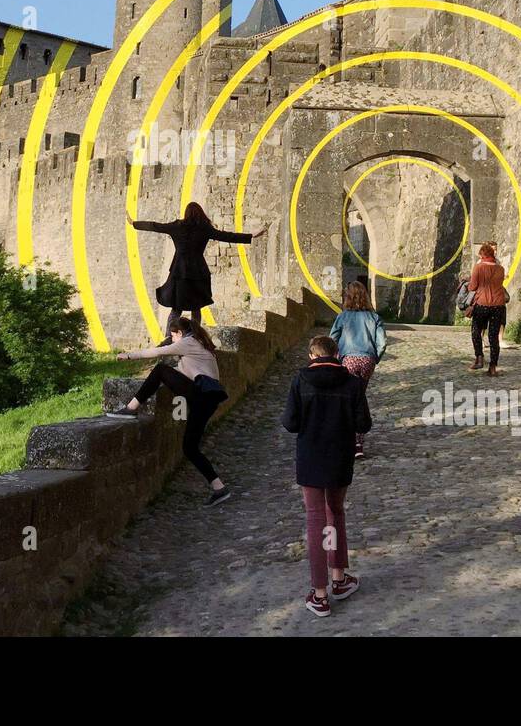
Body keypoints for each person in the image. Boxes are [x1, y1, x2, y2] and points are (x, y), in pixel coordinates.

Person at [281, 335, 371, 617]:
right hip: (340, 458)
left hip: (311, 458)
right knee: (335, 515)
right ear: (337, 354)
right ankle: (339, 578)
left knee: (315, 520)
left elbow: (290, 423)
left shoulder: (301, 380)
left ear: (312, 355)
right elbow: (363, 423)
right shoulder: (353, 383)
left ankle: (319, 594)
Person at [107, 316, 233, 506]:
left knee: (160, 370)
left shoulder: (188, 342)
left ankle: (131, 407)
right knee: (190, 448)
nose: (173, 340)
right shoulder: (201, 345)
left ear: (179, 333)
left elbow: (158, 352)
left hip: (201, 396)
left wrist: (129, 355)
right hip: (207, 400)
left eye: (173, 336)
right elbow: (185, 373)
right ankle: (219, 488)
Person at [130, 202, 266, 328]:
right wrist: (251, 236)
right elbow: (227, 236)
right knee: (196, 307)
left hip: (180, 272)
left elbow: (155, 226)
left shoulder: (178, 226)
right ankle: (195, 336)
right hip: (198, 273)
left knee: (176, 308)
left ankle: (169, 338)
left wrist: (134, 223)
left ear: (186, 213)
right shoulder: (204, 229)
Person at [329, 281, 387, 459]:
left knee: (346, 400)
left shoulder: (343, 316)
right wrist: (374, 358)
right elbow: (382, 343)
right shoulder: (374, 317)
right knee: (359, 398)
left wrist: (336, 359)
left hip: (349, 360)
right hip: (367, 360)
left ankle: (345, 440)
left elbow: (332, 339)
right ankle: (358, 443)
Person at [467, 242, 508, 376]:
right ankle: (493, 367)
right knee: (493, 336)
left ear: (482, 255)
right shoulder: (500, 269)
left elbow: (472, 287)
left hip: (482, 304)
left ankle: (479, 358)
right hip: (498, 305)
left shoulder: (478, 267)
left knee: (476, 331)